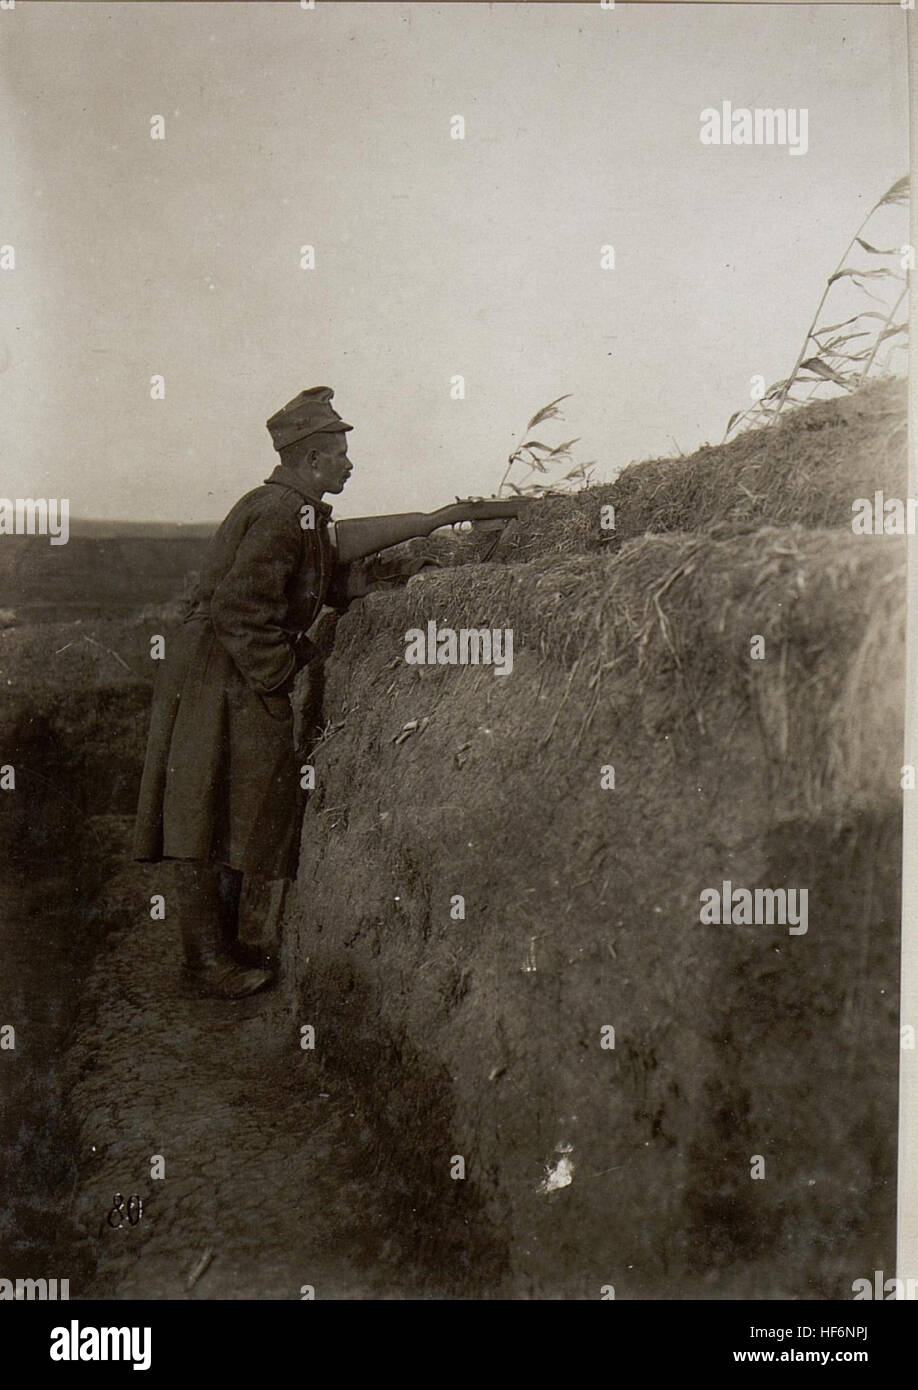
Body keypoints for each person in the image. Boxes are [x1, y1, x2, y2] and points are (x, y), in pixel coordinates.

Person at [134, 386, 365, 999]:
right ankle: (206, 962)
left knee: (231, 803)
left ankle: (224, 949)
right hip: (222, 669)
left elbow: (306, 581)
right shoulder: (283, 511)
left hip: (230, 665)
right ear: (312, 459)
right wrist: (284, 671)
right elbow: (240, 607)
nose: (350, 464)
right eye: (340, 454)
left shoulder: (297, 508)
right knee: (203, 807)